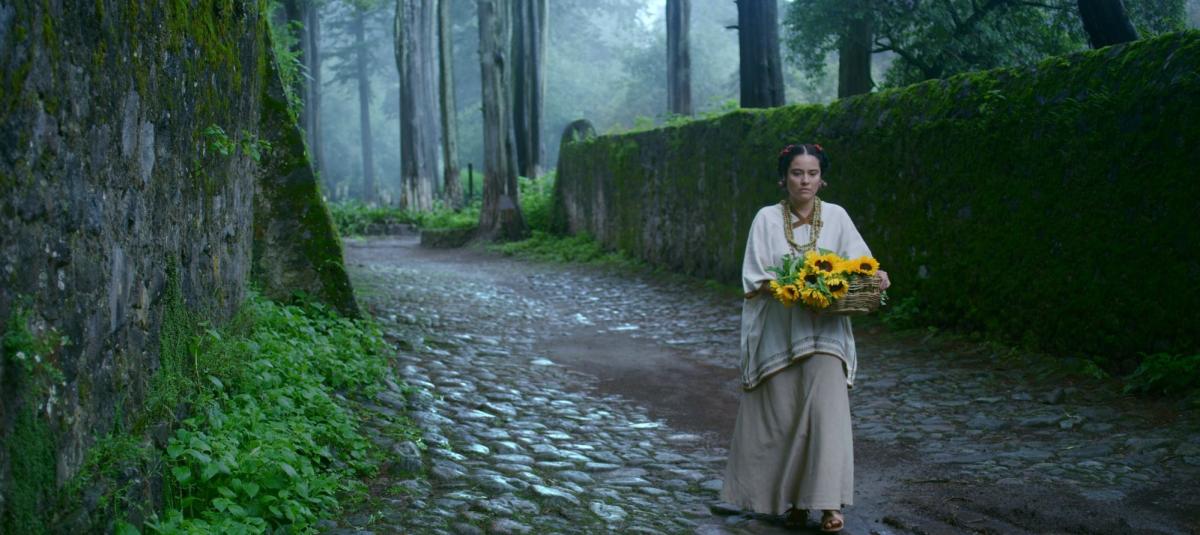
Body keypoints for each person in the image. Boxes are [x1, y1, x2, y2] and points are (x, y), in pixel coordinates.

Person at [720, 143, 890, 532]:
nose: (805, 181)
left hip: (826, 333)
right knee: (781, 416)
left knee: (827, 416)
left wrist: (877, 276)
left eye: (812, 173)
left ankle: (829, 505)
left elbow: (861, 261)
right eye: (797, 173)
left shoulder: (837, 216)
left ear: (822, 178)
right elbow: (753, 275)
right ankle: (786, 501)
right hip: (778, 333)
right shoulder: (765, 219)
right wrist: (791, 286)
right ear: (784, 178)